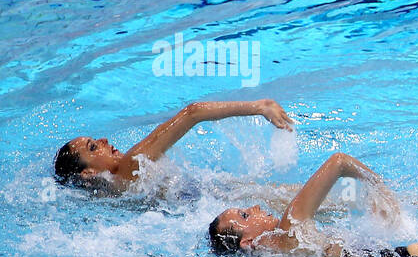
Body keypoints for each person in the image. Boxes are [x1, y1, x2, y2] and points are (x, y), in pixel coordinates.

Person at [207, 152, 418, 257]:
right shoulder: (288, 233)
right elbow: (339, 162)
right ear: (246, 242)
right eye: (245, 215)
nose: (255, 207)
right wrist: (381, 191)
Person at [53, 99, 293, 192]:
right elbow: (193, 113)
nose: (104, 141)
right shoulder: (133, 165)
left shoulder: (108, 194)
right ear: (88, 173)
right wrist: (261, 106)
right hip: (215, 196)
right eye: (94, 147)